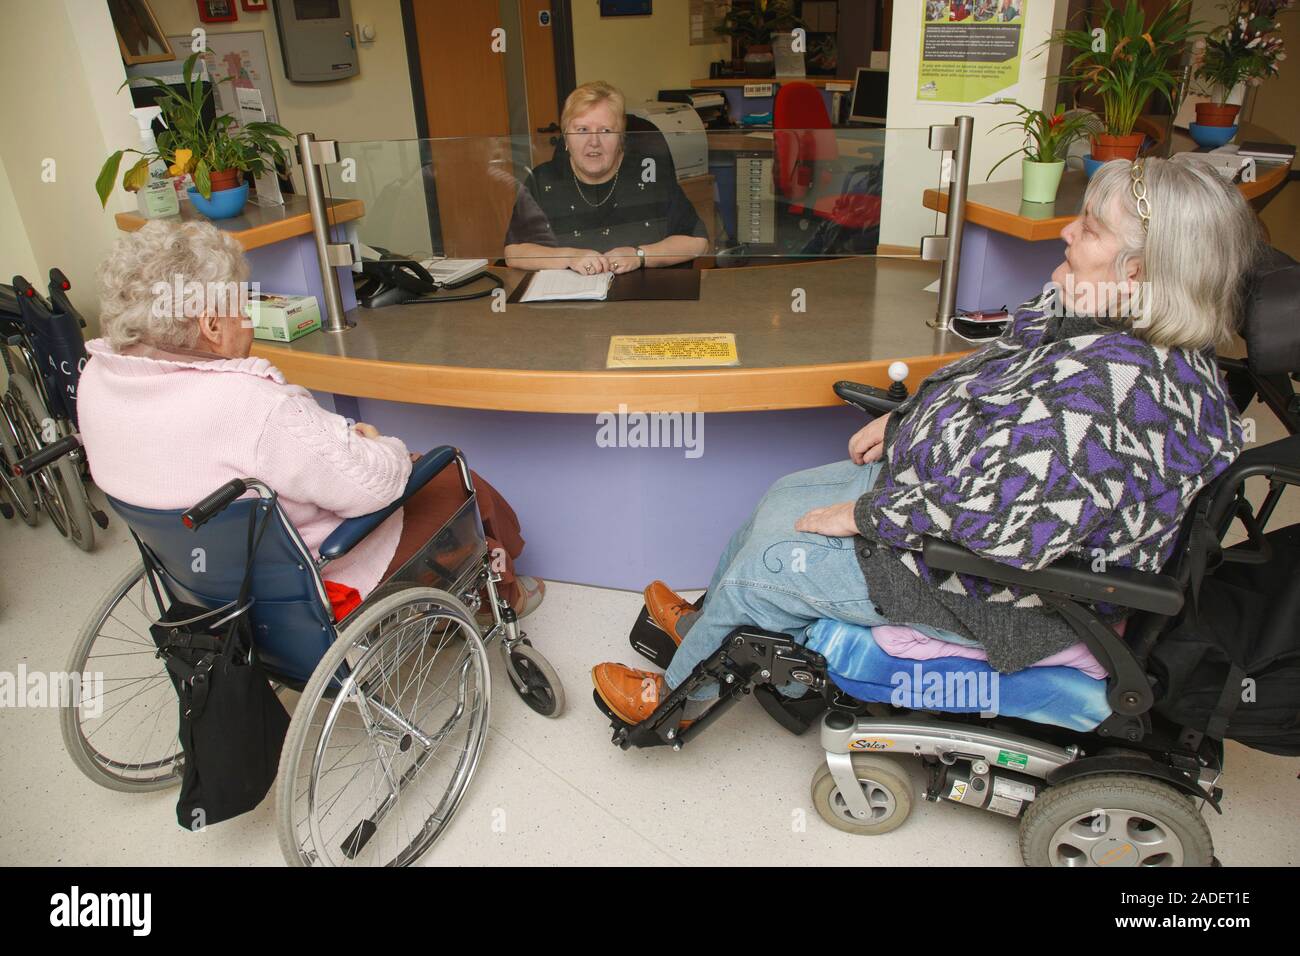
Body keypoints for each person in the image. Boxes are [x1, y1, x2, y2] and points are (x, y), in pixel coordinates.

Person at [592, 157, 1261, 723]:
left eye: (1088, 228)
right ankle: (714, 630)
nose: (1066, 231)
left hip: (1008, 590)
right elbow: (989, 381)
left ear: (1137, 272)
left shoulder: (1112, 393)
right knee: (784, 494)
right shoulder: (1103, 326)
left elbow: (1003, 525)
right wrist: (907, 419)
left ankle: (676, 697)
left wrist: (863, 516)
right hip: (946, 498)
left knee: (777, 560)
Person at [78, 219, 544, 617]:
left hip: (204, 588)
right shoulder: (250, 405)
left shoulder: (96, 381)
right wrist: (380, 445)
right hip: (310, 582)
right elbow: (375, 487)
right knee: (454, 476)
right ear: (212, 327)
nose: (249, 323)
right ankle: (504, 596)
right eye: (241, 309)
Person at [503, 80, 710, 275]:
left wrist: (639, 255)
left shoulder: (651, 175)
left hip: (644, 303)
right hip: (567, 307)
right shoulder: (543, 180)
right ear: (566, 137)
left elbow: (698, 242)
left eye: (605, 130)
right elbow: (514, 252)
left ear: (621, 138)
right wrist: (569, 257)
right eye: (582, 130)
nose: (594, 142)